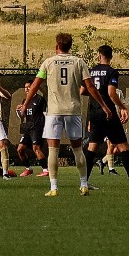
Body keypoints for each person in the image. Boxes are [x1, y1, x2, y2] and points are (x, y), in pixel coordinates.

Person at [33, 32, 102, 196]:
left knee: (53, 151)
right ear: (70, 46)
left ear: (57, 45)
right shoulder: (79, 62)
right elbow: (90, 87)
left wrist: (25, 103)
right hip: (73, 111)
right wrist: (103, 106)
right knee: (78, 149)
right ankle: (84, 184)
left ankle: (54, 188)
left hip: (54, 112)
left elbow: (35, 85)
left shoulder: (48, 63)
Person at [85, 45, 129, 191]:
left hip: (94, 114)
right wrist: (123, 107)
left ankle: (84, 182)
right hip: (109, 114)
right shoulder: (112, 72)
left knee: (92, 147)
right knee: (123, 146)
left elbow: (83, 90)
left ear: (98, 55)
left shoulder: (91, 71)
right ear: (111, 56)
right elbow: (112, 93)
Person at [16, 75, 49, 177]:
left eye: (28, 87)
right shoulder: (25, 101)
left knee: (36, 148)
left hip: (37, 127)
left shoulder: (40, 99)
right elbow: (22, 117)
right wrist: (18, 111)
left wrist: (47, 127)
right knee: (20, 150)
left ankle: (45, 170)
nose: (26, 89)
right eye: (25, 87)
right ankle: (28, 169)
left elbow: (46, 114)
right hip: (28, 128)